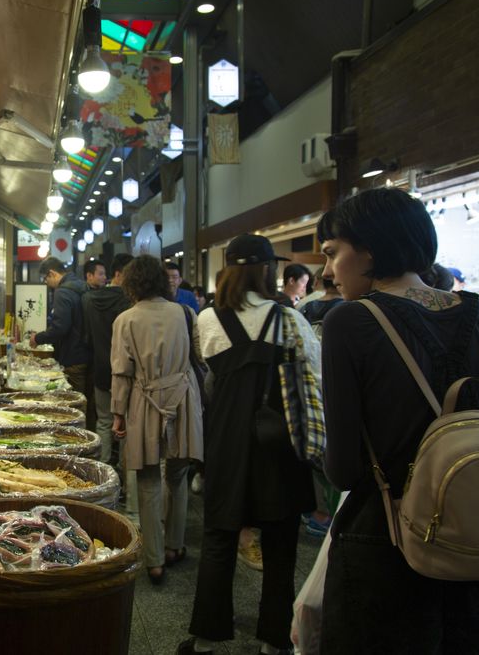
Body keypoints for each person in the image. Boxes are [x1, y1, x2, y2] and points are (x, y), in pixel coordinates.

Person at [317, 188, 479, 653]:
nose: (327, 271)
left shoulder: (349, 322)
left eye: (333, 254)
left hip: (389, 541)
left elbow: (345, 470)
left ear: (370, 250)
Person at [181, 235, 318, 655]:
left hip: (227, 441)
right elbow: (313, 369)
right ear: (266, 270)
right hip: (278, 442)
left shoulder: (207, 319)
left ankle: (205, 639)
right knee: (280, 546)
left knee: (220, 537)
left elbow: (210, 370)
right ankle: (274, 641)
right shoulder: (290, 319)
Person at [111, 256, 203, 585]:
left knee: (148, 480)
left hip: (145, 401)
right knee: (177, 475)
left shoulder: (126, 320)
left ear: (132, 284)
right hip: (183, 398)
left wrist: (118, 414)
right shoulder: (186, 313)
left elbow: (122, 373)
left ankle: (154, 560)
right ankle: (176, 545)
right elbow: (200, 356)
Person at [82, 253, 134, 462]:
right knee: (126, 424)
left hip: (101, 368)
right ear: (120, 274)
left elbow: (86, 337)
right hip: (127, 371)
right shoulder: (131, 301)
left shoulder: (89, 299)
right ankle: (124, 474)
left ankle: (104, 472)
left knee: (103, 421)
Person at [33, 257, 93, 425]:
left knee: (74, 408)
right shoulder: (81, 285)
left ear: (52, 273)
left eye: (46, 279)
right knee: (84, 402)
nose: (47, 283)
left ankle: (80, 441)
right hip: (88, 353)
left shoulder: (63, 291)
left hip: (73, 356)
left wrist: (38, 338)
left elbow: (60, 327)